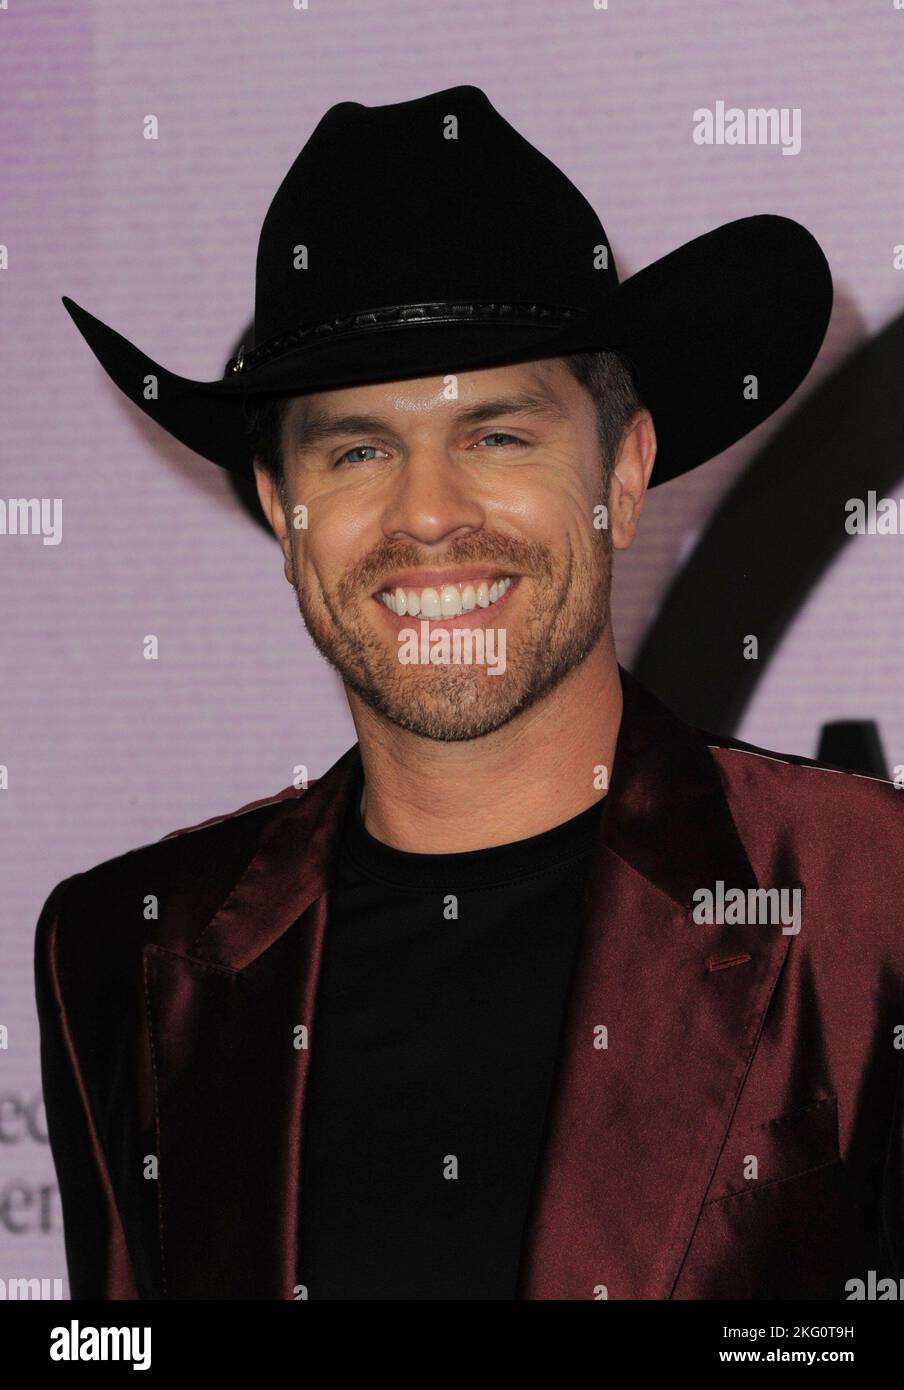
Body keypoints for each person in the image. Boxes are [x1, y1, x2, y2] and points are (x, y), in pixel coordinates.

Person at [36, 85, 904, 1301]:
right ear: (285, 514)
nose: (429, 513)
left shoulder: (869, 904)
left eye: (498, 436)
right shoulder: (127, 953)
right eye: (356, 449)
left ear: (624, 469)